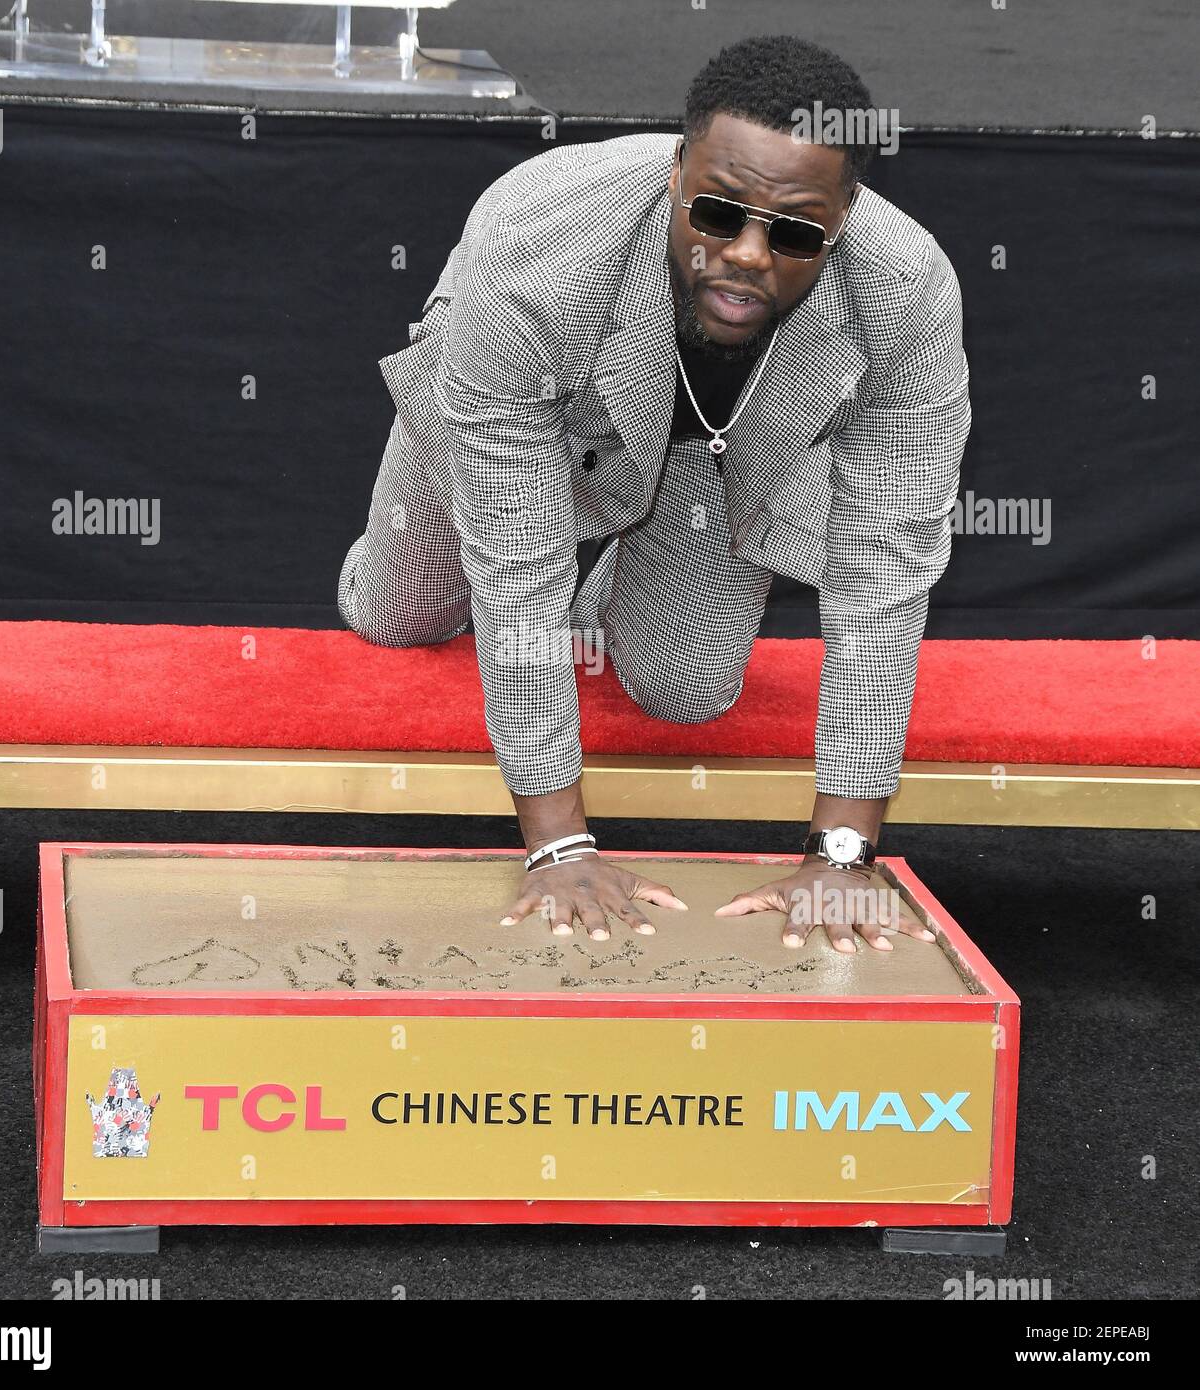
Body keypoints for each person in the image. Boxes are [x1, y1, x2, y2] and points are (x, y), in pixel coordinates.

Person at [338, 35, 969, 954]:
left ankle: (599, 599)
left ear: (845, 218)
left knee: (685, 690)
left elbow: (885, 564)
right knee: (404, 615)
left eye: (794, 234)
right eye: (717, 213)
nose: (748, 256)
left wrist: (842, 855)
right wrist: (558, 847)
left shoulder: (905, 290)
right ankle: (461, 552)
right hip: (524, 422)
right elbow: (515, 573)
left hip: (711, 461)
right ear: (677, 174)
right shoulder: (535, 249)